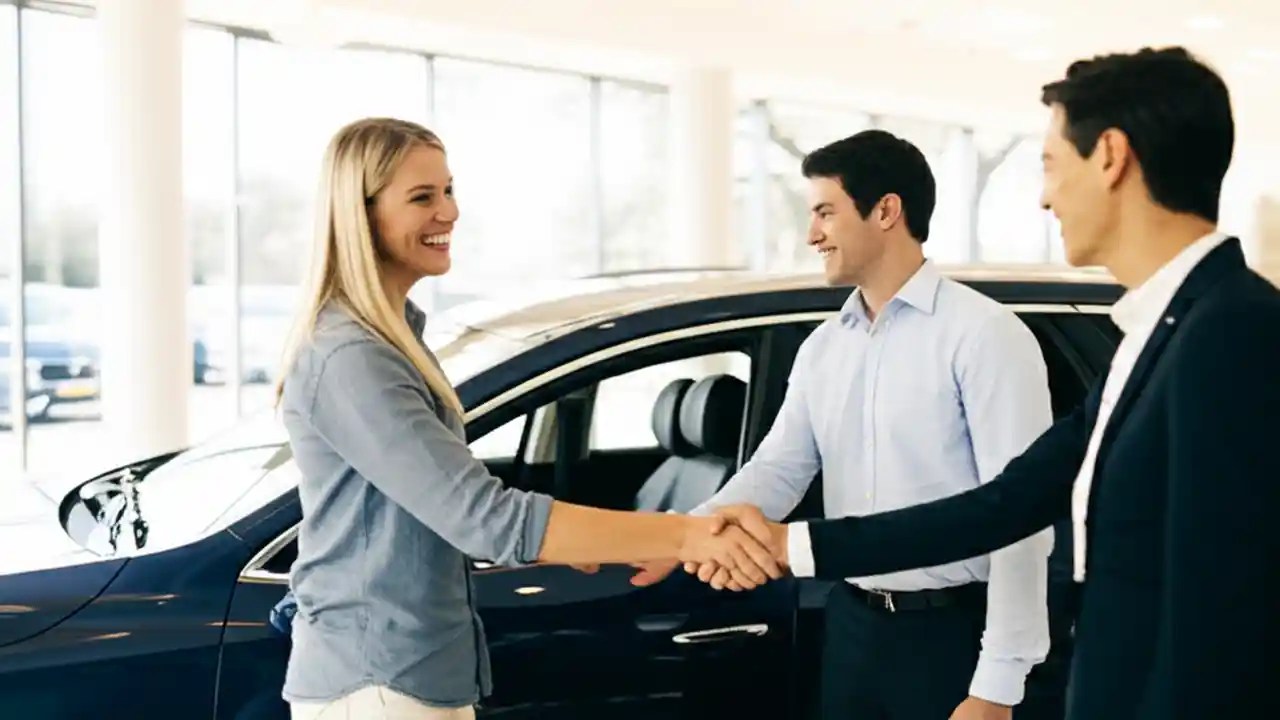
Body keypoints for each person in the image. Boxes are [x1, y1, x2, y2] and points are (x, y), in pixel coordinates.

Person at [705, 47, 1280, 720]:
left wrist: (998, 682)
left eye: (1050, 164)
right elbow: (1004, 505)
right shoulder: (1159, 333)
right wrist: (788, 544)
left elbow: (1223, 611)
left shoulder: (1234, 331)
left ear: (1112, 156)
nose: (1044, 195)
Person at [272, 117, 781, 720]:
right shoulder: (352, 356)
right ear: (360, 214)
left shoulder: (390, 339)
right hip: (379, 685)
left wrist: (581, 542)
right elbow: (481, 517)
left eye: (448, 190)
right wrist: (687, 534)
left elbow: (437, 509)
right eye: (422, 197)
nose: (449, 212)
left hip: (407, 674)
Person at [633, 130, 1057, 720]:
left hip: (954, 637)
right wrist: (678, 539)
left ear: (886, 210)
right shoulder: (825, 347)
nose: (811, 234)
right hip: (853, 626)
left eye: (825, 212)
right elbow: (778, 471)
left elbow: (1021, 519)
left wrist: (997, 685)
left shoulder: (985, 335)